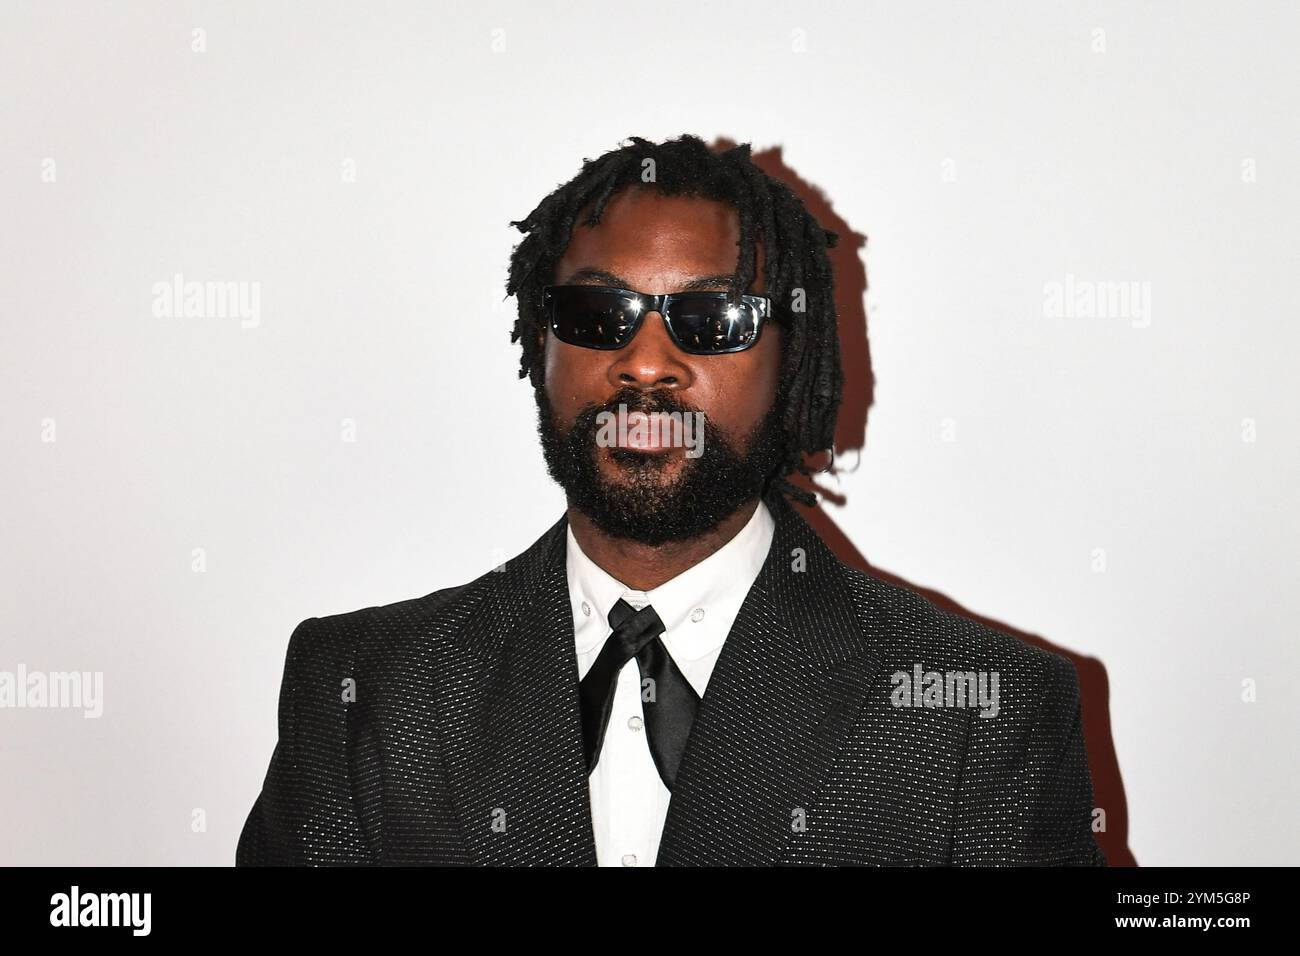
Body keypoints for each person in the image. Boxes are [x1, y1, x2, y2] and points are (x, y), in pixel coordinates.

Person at [236, 134, 1106, 866]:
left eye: (712, 320)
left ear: (790, 361)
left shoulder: (980, 712)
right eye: (596, 312)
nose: (645, 363)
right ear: (540, 343)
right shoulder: (365, 688)